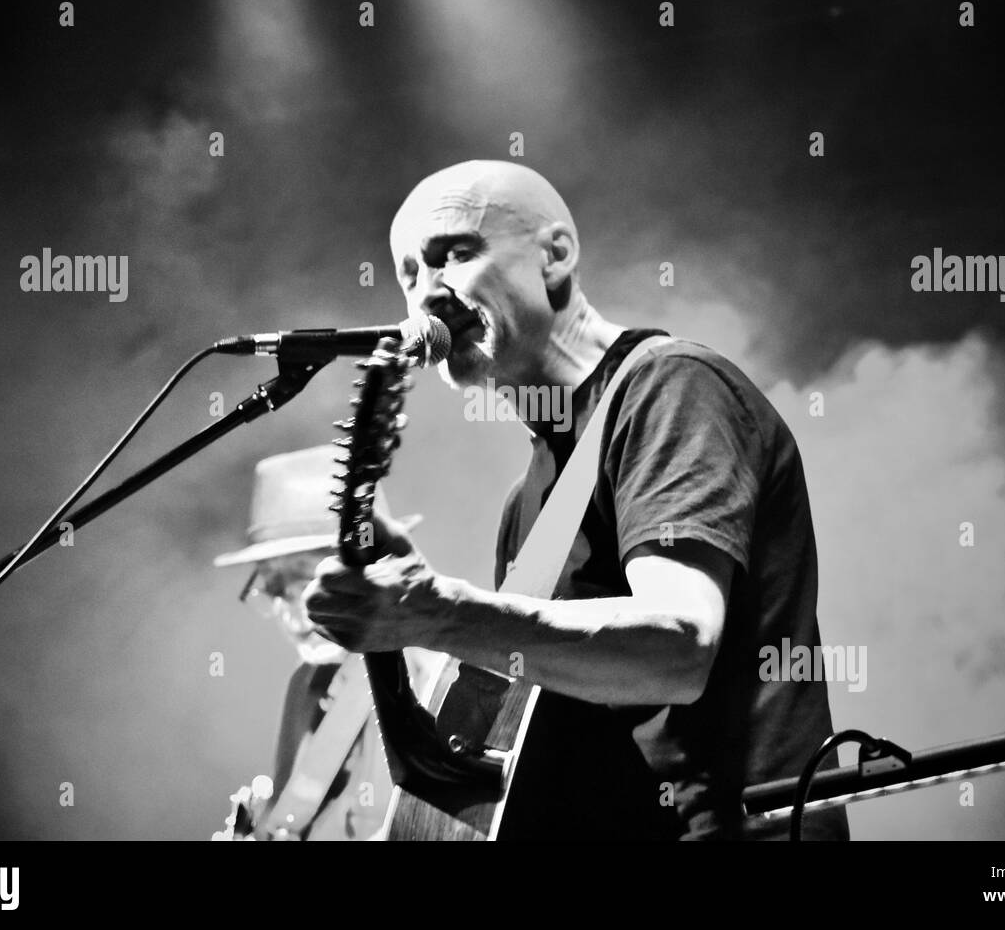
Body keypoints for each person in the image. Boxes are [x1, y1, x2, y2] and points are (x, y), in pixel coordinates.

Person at [303, 159, 849, 840]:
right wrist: (401, 637)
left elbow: (677, 650)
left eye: (455, 255)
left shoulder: (670, 388)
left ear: (555, 255)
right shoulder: (524, 505)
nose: (427, 296)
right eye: (409, 274)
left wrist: (436, 614)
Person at [213, 445, 424, 840]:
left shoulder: (428, 676)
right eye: (272, 587)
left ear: (367, 566)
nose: (289, 611)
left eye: (302, 580)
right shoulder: (304, 685)